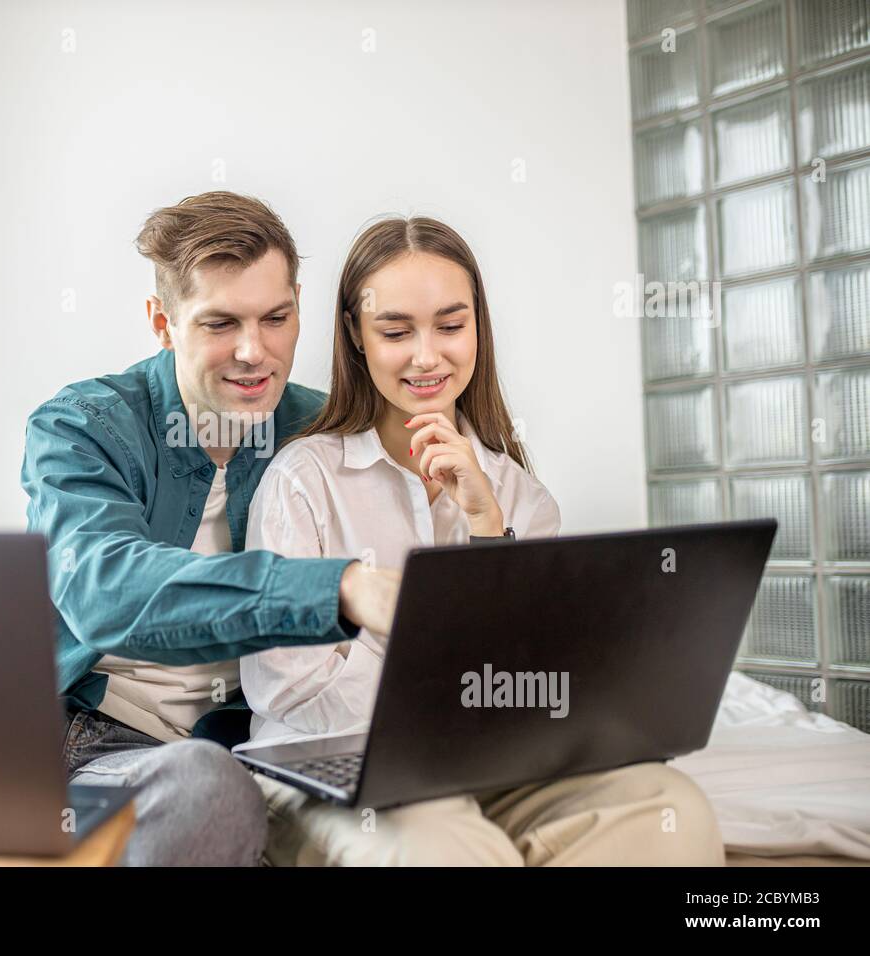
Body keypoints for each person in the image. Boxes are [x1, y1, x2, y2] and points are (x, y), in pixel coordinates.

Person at [238, 215, 726, 866]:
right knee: (442, 851)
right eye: (395, 330)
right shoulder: (303, 481)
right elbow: (286, 690)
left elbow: (538, 682)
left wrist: (488, 533)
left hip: (490, 767)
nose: (427, 355)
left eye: (450, 324)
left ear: (477, 328)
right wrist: (452, 694)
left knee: (669, 807)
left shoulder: (519, 496)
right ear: (356, 335)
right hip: (335, 771)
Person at [20, 191, 401, 865]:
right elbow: (104, 589)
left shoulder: (323, 434)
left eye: (277, 318)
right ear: (161, 322)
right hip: (102, 745)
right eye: (220, 323)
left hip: (266, 746)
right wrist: (333, 590)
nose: (254, 352)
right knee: (208, 789)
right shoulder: (82, 427)